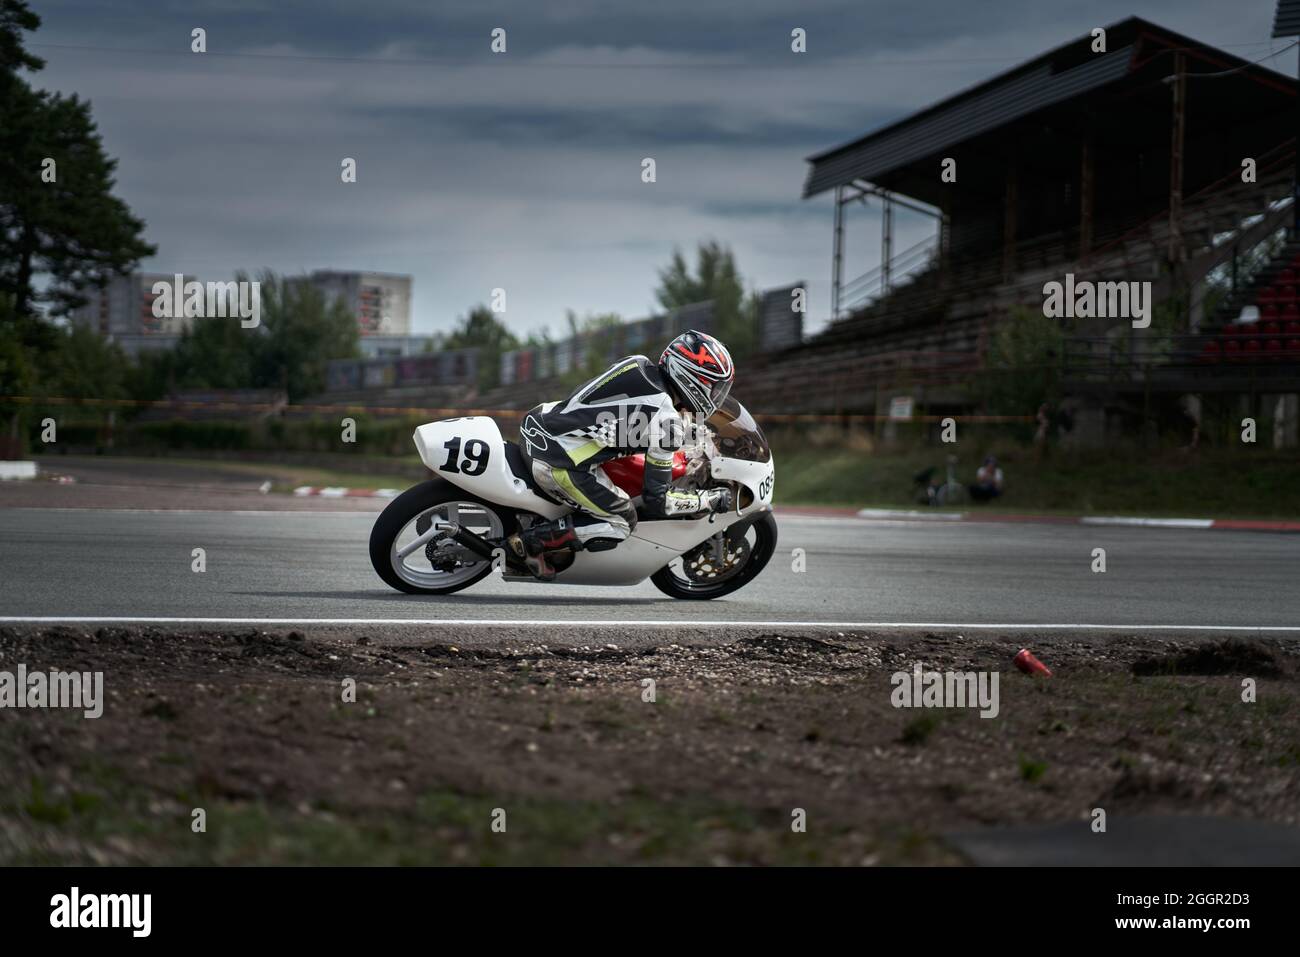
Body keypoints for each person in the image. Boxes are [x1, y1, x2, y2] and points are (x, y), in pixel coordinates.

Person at [507, 330, 735, 580]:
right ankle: (531, 542)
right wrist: (708, 500)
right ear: (694, 380)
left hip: (539, 422)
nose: (716, 397)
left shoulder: (638, 364)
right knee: (622, 521)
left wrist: (694, 434)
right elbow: (657, 500)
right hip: (557, 460)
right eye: (714, 389)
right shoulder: (667, 422)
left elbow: (624, 416)